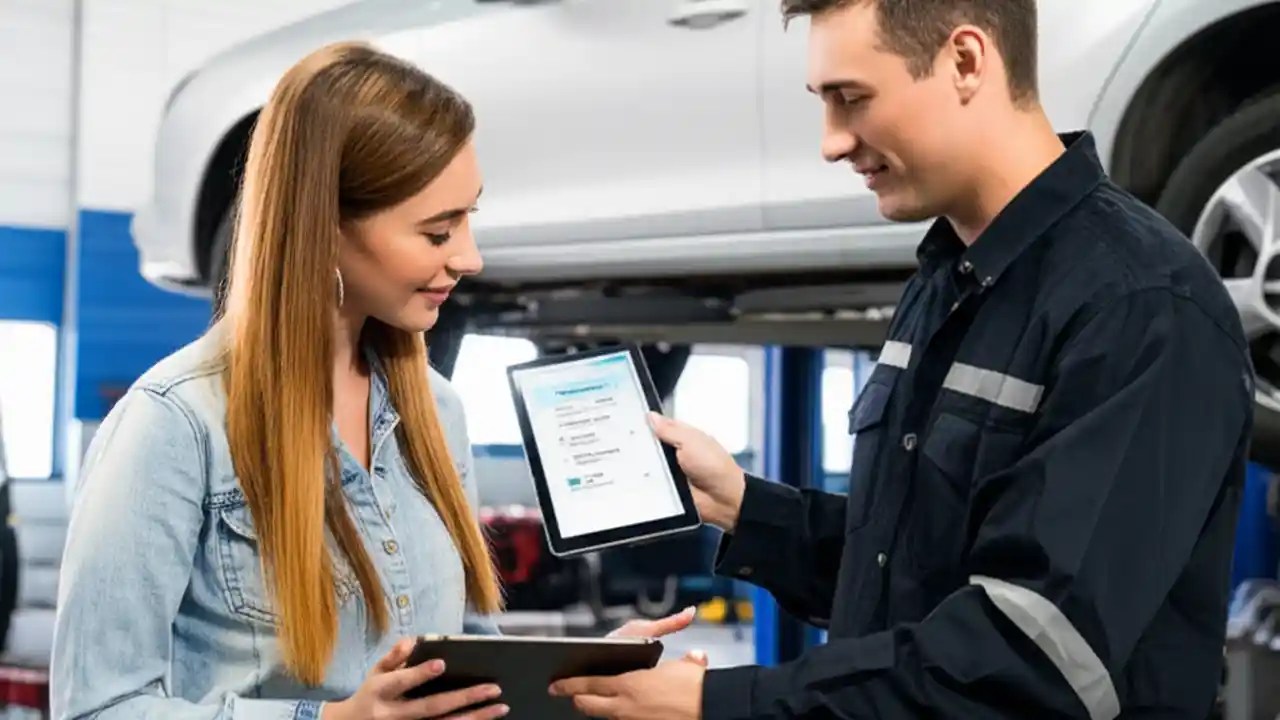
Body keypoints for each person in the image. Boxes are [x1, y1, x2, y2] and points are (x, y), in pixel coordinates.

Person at [549, 0, 1255, 718]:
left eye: (851, 99)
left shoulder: (1141, 307)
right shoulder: (945, 280)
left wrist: (716, 702)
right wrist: (742, 505)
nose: (830, 142)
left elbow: (1029, 661)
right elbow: (911, 577)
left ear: (966, 61)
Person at [49, 41, 691, 720]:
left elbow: (467, 669)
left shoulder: (438, 414)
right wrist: (330, 719)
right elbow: (96, 706)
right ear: (323, 228)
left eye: (470, 217)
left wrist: (581, 678)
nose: (469, 257)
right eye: (438, 232)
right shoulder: (175, 425)